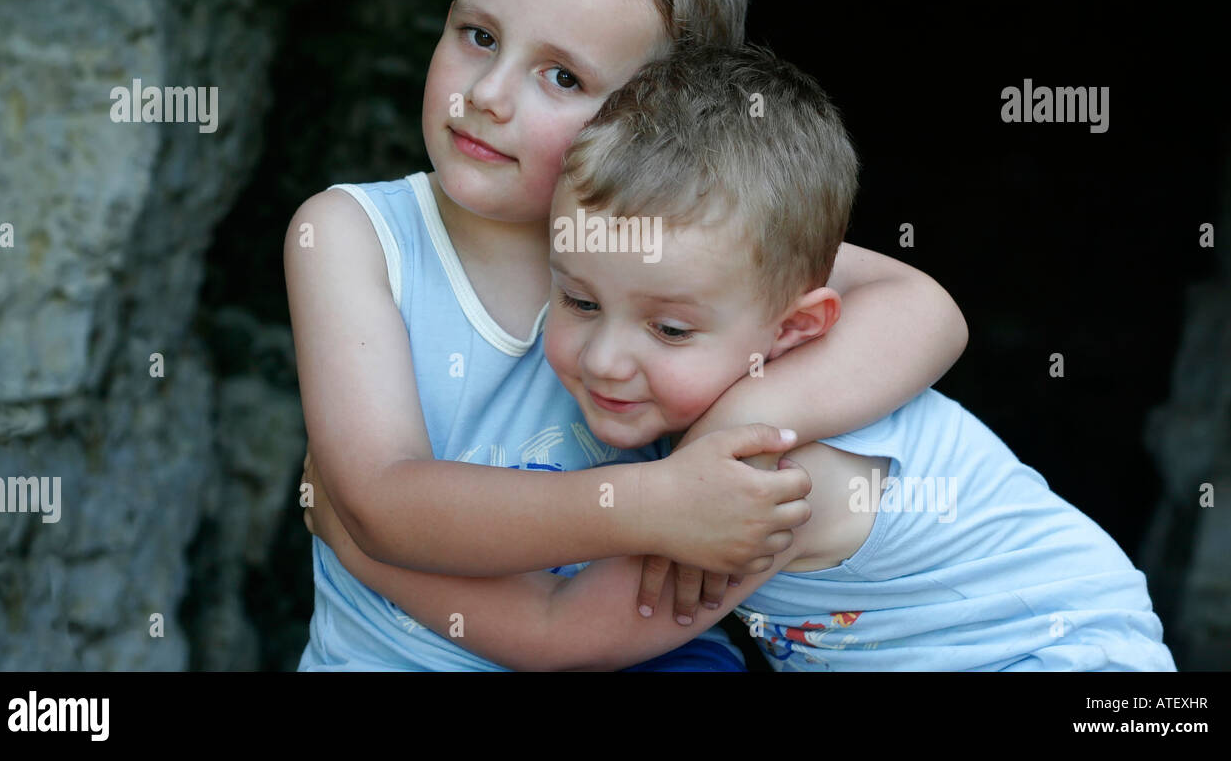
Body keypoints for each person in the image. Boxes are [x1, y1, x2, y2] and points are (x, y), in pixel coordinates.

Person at [308, 43, 1176, 672]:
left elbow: (559, 632)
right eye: (577, 302)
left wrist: (362, 542)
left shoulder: (763, 482)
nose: (607, 359)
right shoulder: (727, 370)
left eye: (671, 330)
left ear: (793, 330)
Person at [288, 0, 968, 671]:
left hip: (637, 646)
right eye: (477, 35)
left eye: (563, 77)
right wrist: (661, 503)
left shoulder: (678, 245)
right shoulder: (353, 235)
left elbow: (925, 309)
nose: (489, 94)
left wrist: (733, 439)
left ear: (662, 127)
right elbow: (380, 502)